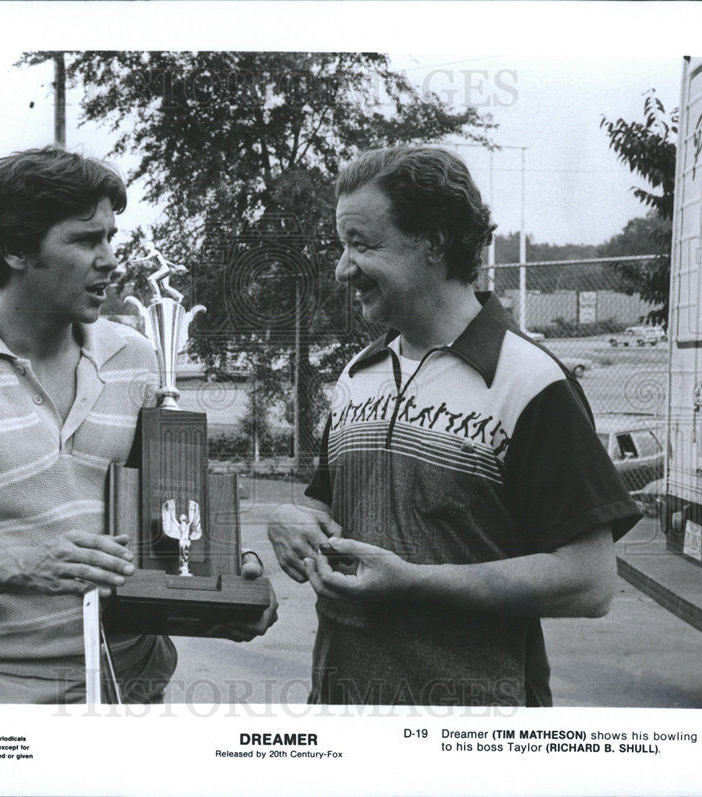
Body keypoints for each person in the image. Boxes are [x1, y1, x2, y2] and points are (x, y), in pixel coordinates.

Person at [0, 146, 274, 704]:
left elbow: (168, 519)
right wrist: (25, 564)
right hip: (8, 699)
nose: (109, 260)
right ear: (16, 249)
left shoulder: (137, 359)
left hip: (138, 687)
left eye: (110, 237)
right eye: (84, 240)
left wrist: (224, 577)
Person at [268, 145, 640, 707]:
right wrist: (293, 522)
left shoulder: (532, 382)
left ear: (435, 242)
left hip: (472, 738)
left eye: (362, 245)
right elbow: (332, 511)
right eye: (342, 246)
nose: (344, 268)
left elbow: (590, 581)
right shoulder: (358, 374)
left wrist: (414, 582)